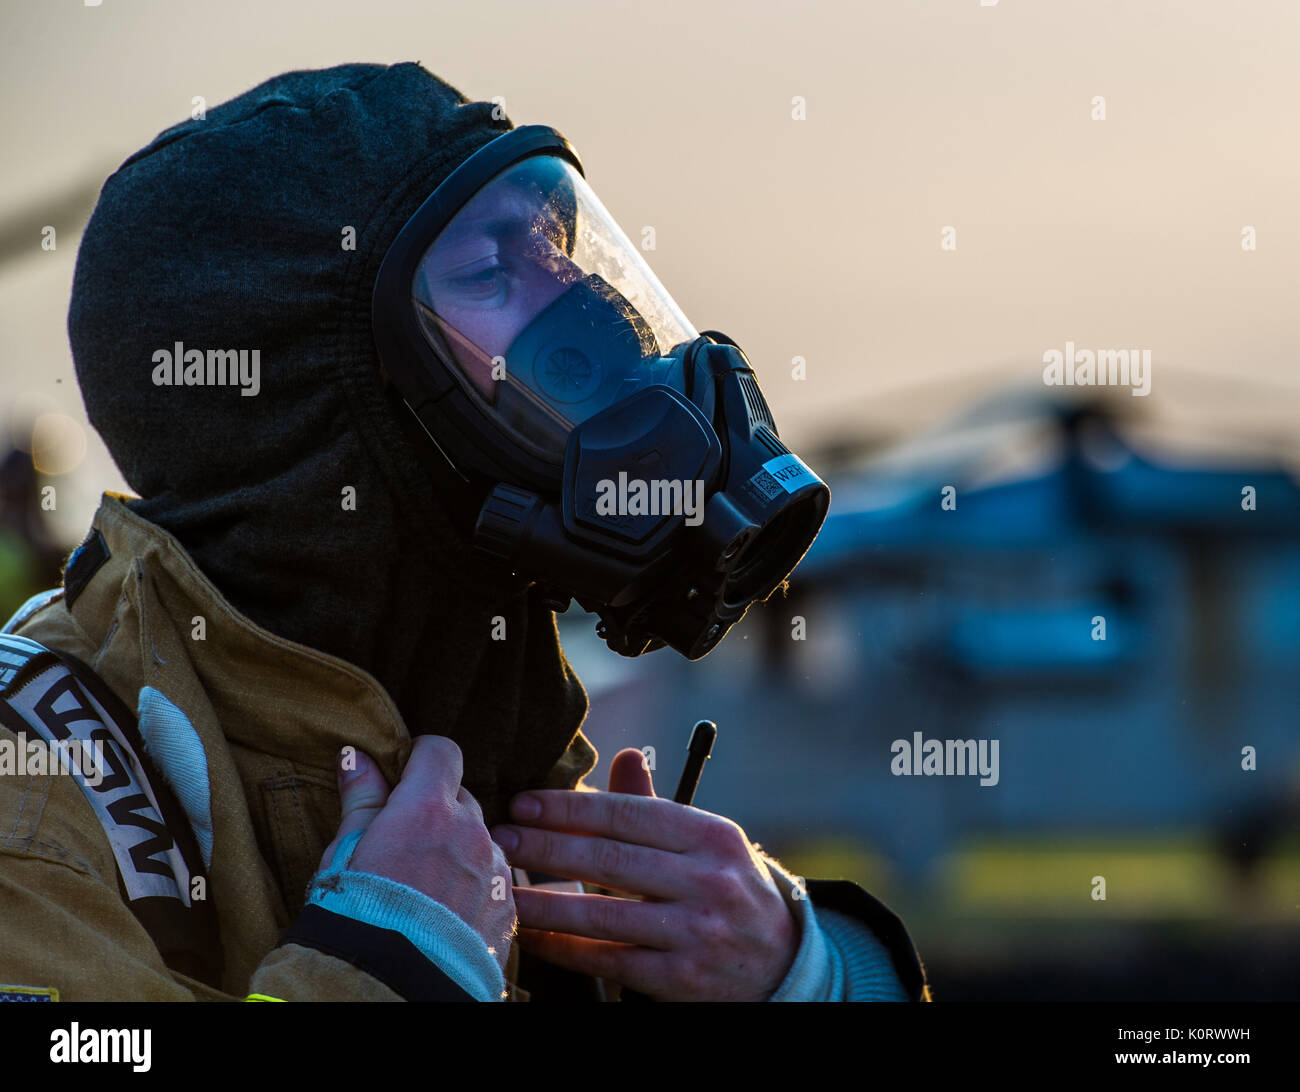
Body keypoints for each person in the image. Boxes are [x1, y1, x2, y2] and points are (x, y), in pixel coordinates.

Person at [0, 62, 928, 1002]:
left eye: (558, 245)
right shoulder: (29, 795)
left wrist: (807, 974)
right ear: (330, 412)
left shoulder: (503, 745)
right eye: (493, 270)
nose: (592, 314)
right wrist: (399, 968)